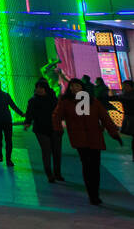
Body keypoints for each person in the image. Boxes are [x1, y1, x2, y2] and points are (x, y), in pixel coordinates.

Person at [52, 77, 122, 205]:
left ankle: (95, 192)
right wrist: (58, 130)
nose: (75, 88)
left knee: (95, 167)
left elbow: (105, 118)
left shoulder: (93, 101)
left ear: (82, 88)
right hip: (79, 139)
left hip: (95, 137)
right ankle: (92, 194)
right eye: (72, 86)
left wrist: (114, 134)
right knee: (87, 165)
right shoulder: (66, 102)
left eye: (78, 86)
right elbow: (56, 116)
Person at [23, 79, 64, 183]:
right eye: (37, 87)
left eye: (41, 87)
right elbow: (29, 113)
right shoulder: (33, 100)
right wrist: (27, 122)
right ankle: (49, 174)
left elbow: (60, 111)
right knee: (46, 151)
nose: (38, 89)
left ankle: (57, 173)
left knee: (57, 152)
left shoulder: (53, 99)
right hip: (40, 129)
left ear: (45, 88)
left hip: (55, 128)